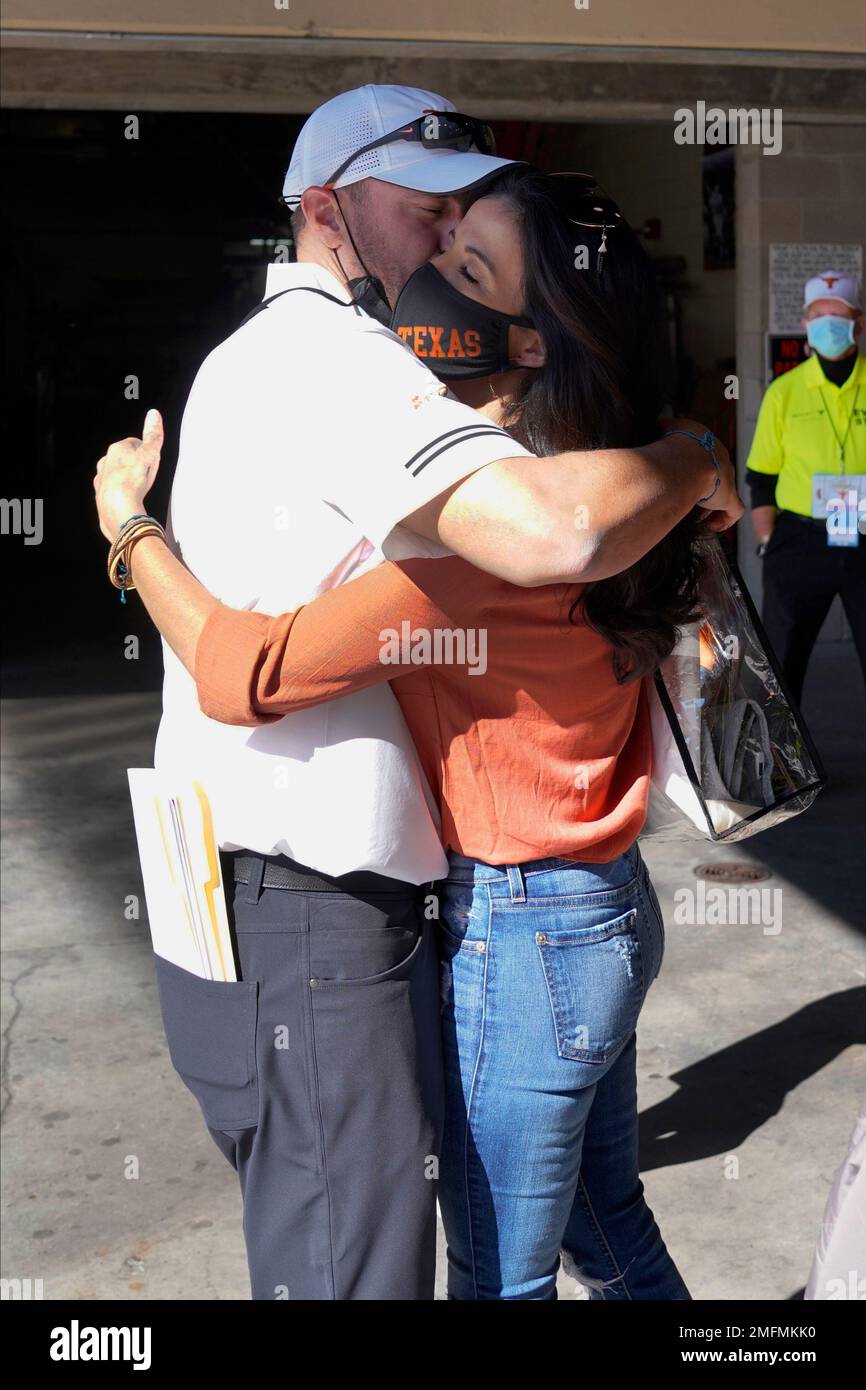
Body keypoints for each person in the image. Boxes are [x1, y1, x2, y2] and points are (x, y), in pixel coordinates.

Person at [95, 163, 727, 1299]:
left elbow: (244, 670)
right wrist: (696, 450)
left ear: (528, 343)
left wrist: (130, 523)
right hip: (600, 907)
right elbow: (654, 460)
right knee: (605, 1225)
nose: (426, 272)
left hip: (523, 931)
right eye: (440, 243)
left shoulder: (489, 538)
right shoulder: (627, 474)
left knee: (496, 1275)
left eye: (466, 266)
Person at [746, 270, 866, 703]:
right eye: (819, 315)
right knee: (781, 666)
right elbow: (761, 477)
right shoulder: (784, 392)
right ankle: (782, 770)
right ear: (805, 326)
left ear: (860, 322)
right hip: (799, 542)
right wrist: (767, 540)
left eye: (839, 314)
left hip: (864, 536)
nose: (828, 323)